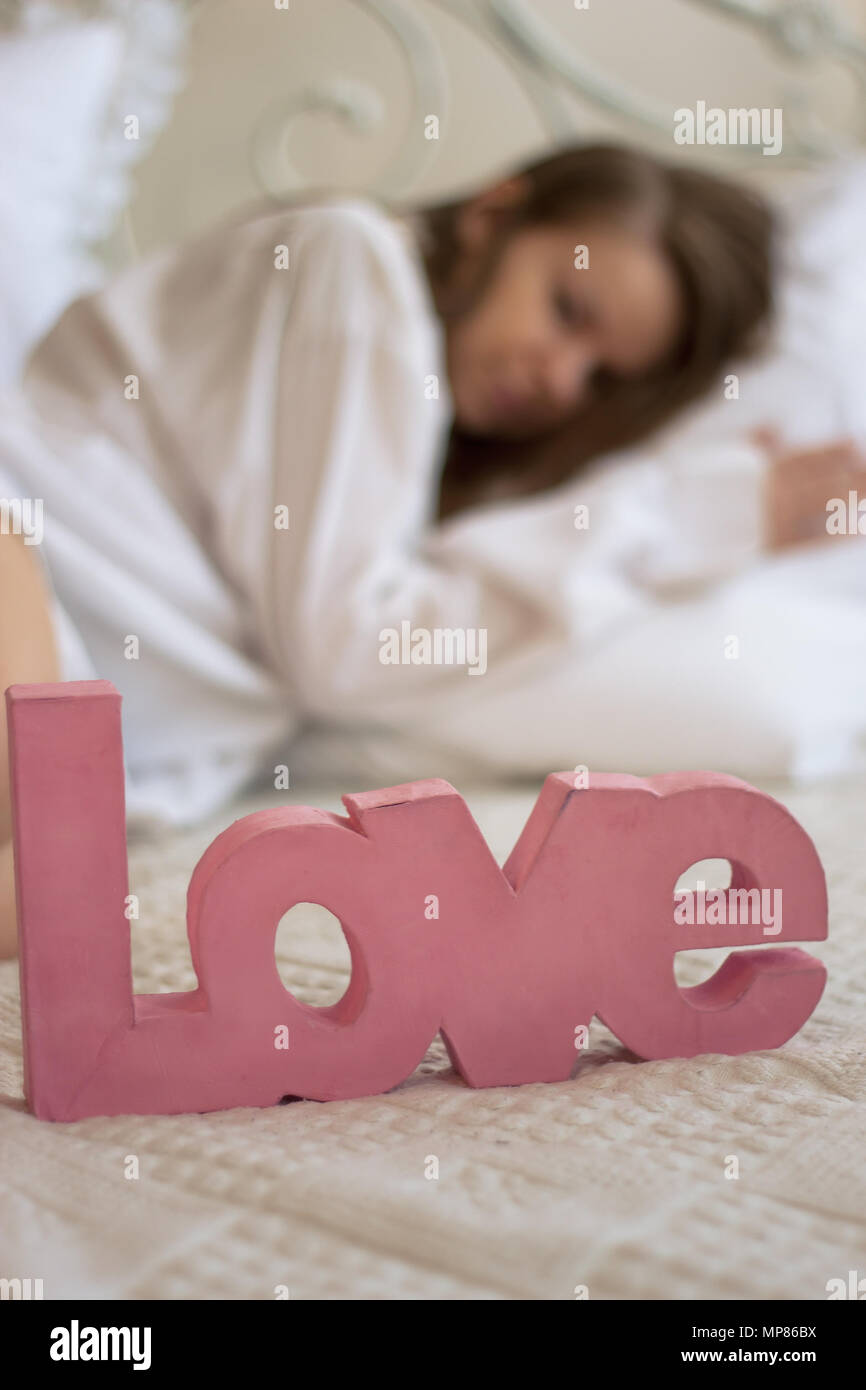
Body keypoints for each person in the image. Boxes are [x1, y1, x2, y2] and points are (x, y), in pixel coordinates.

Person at [1, 142, 864, 958]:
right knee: (48, 893)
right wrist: (699, 510)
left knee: (46, 890)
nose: (562, 379)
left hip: (77, 697)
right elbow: (344, 651)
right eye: (566, 309)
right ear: (494, 214)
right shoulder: (353, 262)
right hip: (26, 551)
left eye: (603, 379)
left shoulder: (422, 454)